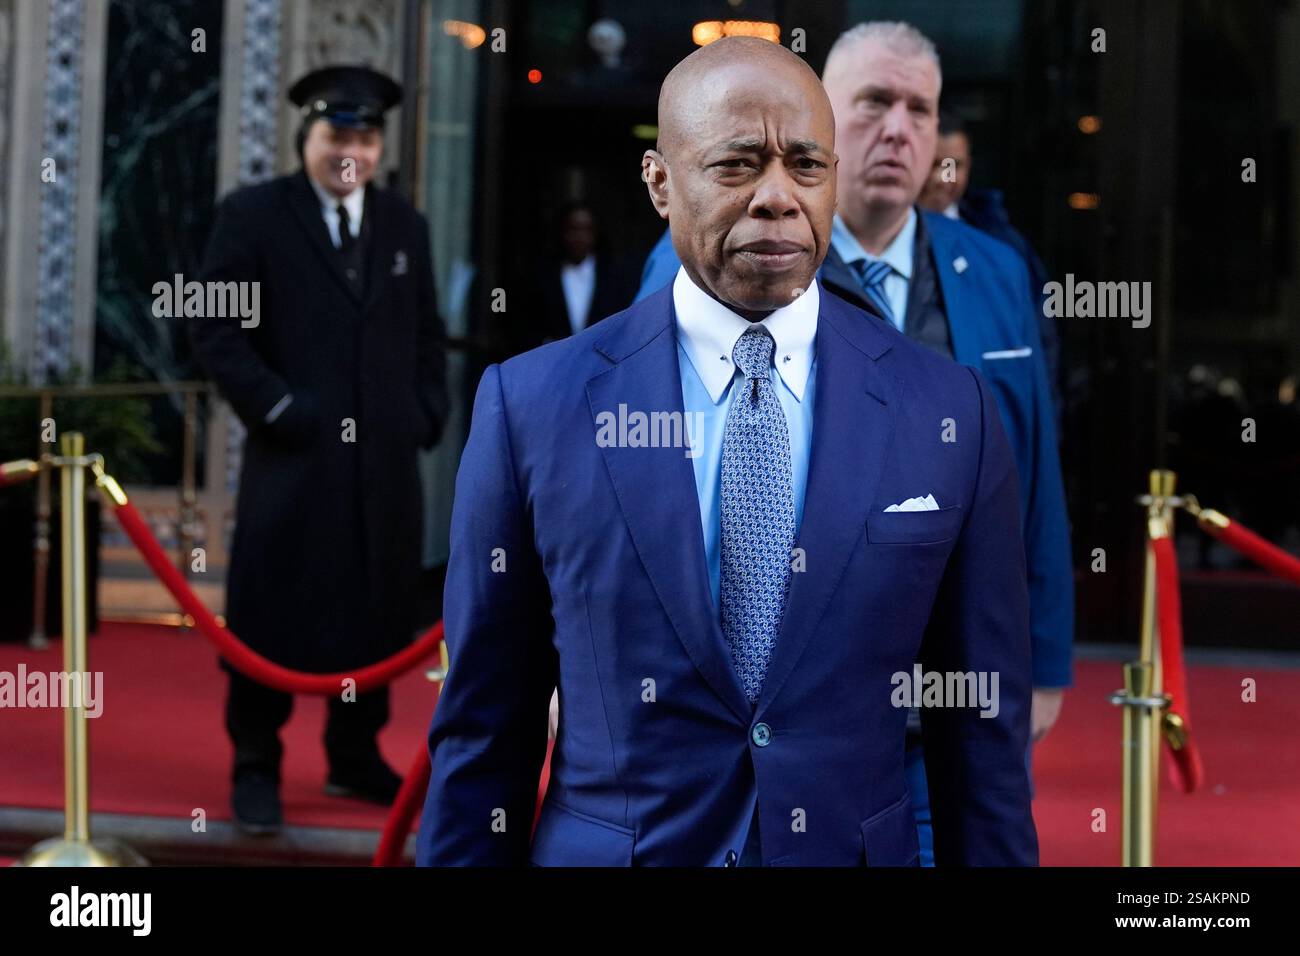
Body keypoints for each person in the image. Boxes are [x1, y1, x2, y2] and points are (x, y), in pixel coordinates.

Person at [417, 35, 1037, 866]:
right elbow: (485, 730)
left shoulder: (948, 410)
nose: (777, 197)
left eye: (806, 166)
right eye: (739, 164)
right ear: (660, 183)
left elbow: (982, 740)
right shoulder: (530, 407)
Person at [632, 21, 1073, 866]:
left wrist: (1043, 655)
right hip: (781, 689)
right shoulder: (717, 258)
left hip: (943, 671)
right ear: (822, 117)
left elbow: (1036, 468)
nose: (900, 130)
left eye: (922, 110)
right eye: (874, 103)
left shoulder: (998, 271)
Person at [190, 65, 450, 835]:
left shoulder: (406, 226)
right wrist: (277, 408)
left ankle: (353, 754)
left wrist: (425, 414)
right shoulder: (253, 216)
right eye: (338, 133)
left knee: (374, 616)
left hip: (382, 474)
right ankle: (255, 764)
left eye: (366, 137)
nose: (353, 152)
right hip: (294, 463)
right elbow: (213, 328)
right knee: (271, 612)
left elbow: (427, 335)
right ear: (307, 134)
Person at [918, 110, 1062, 425]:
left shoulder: (1002, 244)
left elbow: (1039, 340)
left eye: (955, 166)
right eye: (934, 164)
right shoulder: (877, 239)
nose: (945, 179)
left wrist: (1042, 429)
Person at [519, 201, 637, 352]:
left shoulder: (613, 276)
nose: (579, 237)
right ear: (562, 232)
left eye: (586, 230)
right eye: (573, 229)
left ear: (595, 234)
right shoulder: (542, 274)